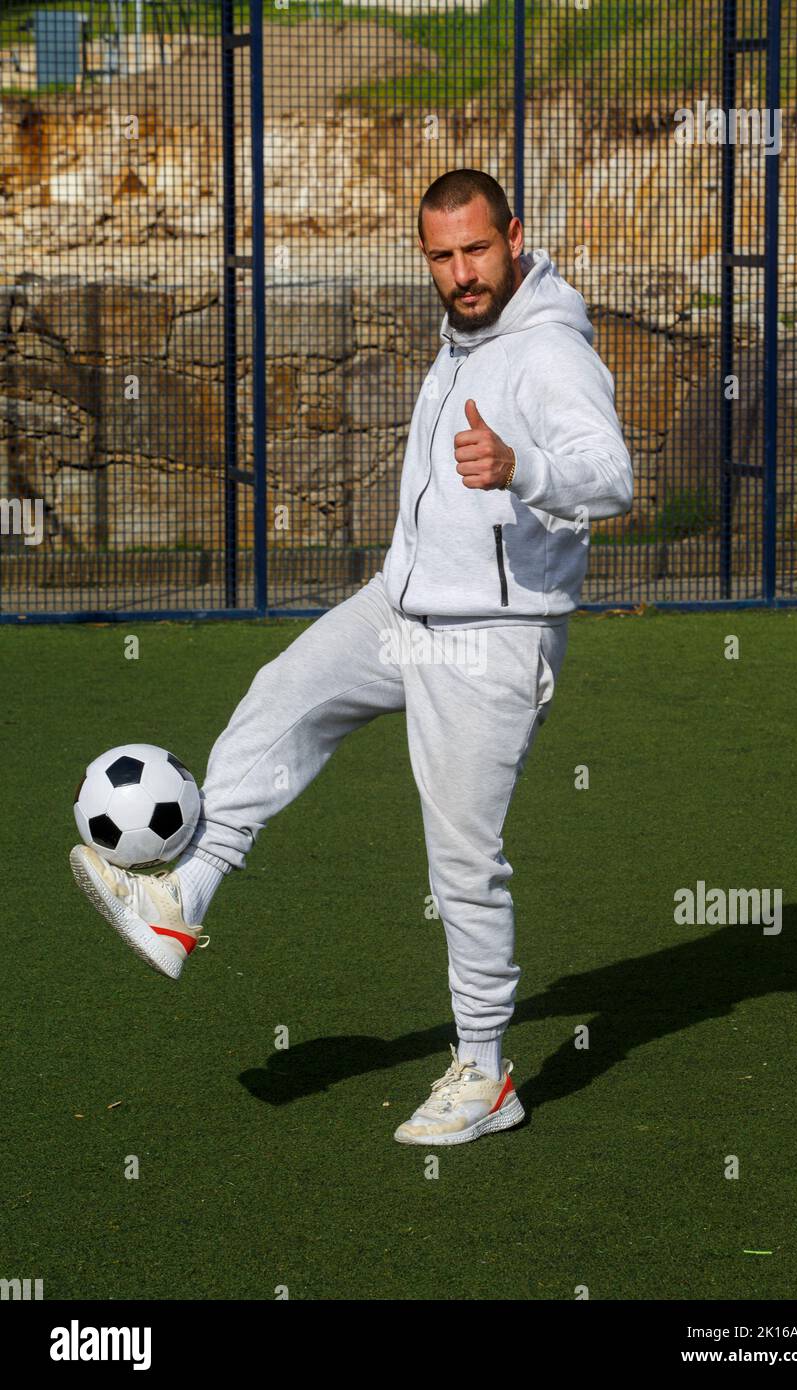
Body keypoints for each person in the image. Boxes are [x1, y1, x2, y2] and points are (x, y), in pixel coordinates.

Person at [70, 168, 633, 1146]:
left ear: (514, 238)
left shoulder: (546, 353)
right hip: (403, 609)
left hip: (490, 639)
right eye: (442, 256)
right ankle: (180, 898)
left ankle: (486, 1073)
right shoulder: (465, 339)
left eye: (476, 250)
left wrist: (520, 465)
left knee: (460, 864)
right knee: (283, 692)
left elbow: (610, 475)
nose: (460, 272)